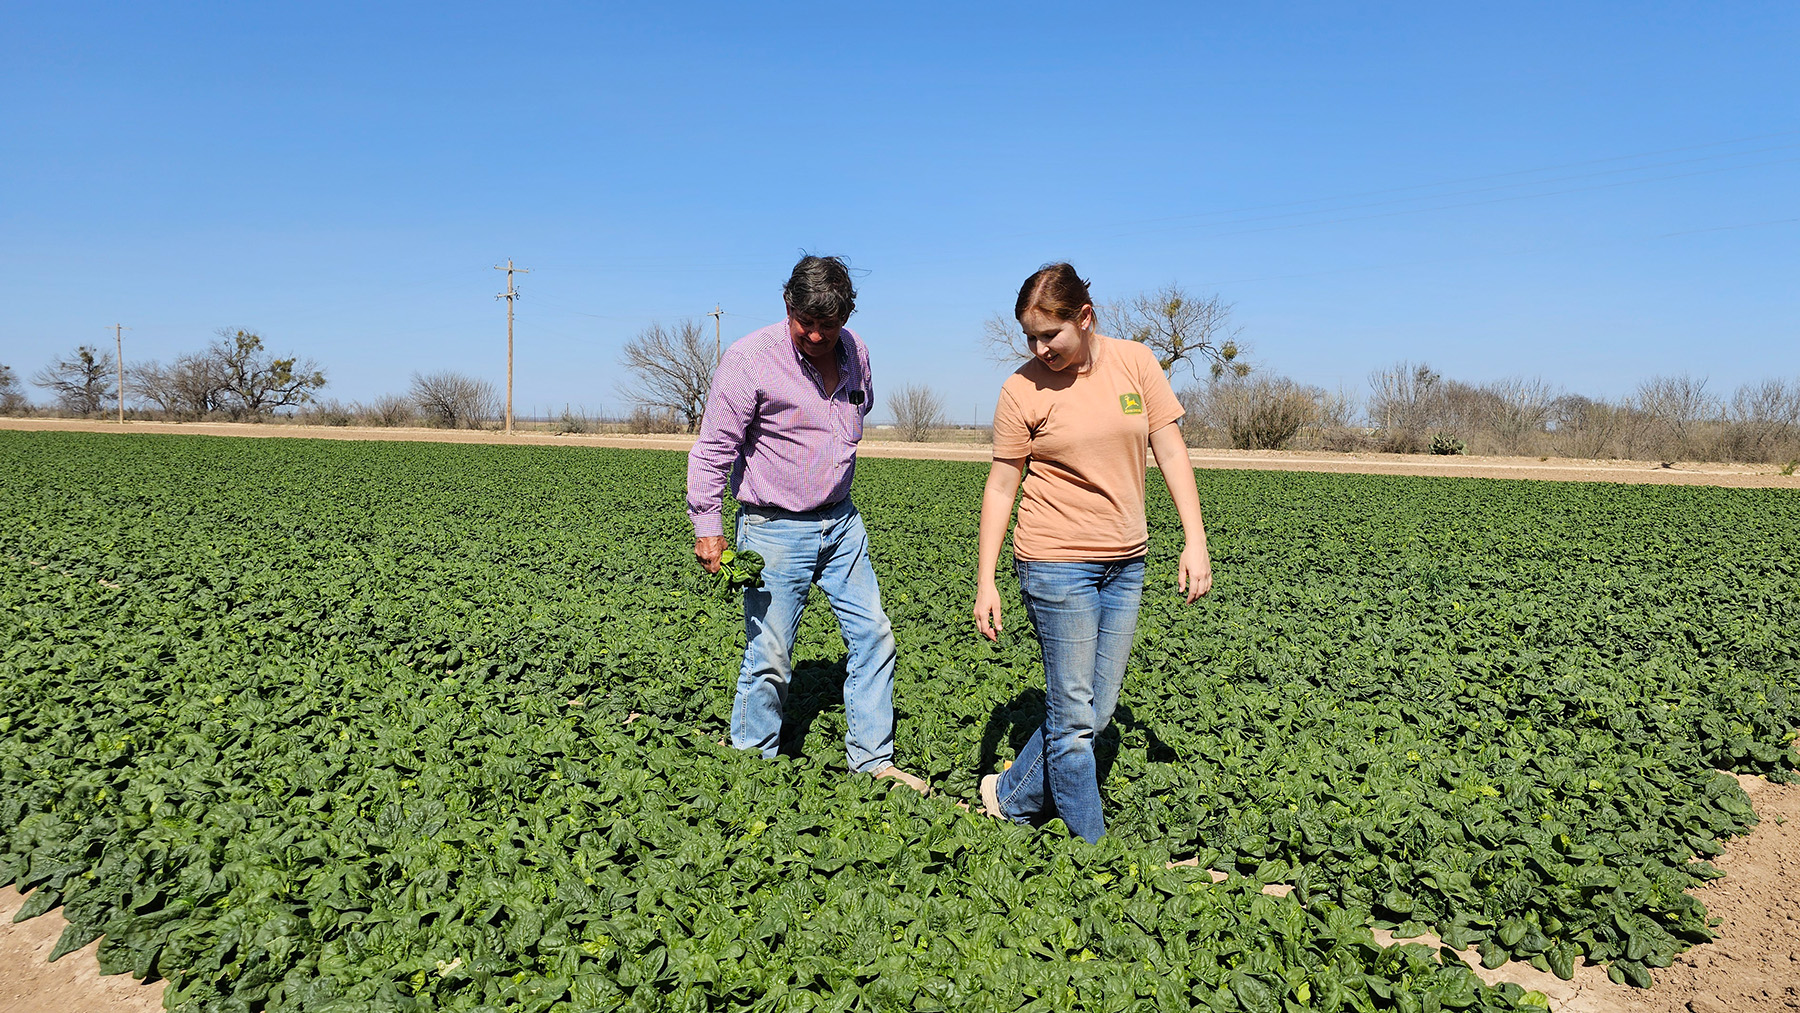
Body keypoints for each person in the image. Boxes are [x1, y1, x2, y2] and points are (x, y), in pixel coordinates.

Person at [972, 263, 1213, 842]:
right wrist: (987, 579)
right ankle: (1093, 855)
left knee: (1094, 714)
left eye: (1049, 334)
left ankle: (1008, 794)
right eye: (1029, 336)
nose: (1039, 348)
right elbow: (1002, 484)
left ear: (1084, 317)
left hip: (1126, 562)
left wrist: (1195, 537)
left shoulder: (1136, 363)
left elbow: (1172, 453)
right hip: (1054, 562)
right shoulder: (1021, 389)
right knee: (1076, 724)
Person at [687, 255, 927, 793]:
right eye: (806, 323)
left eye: (829, 324)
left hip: (841, 523)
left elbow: (853, 412)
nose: (817, 335)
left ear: (847, 315)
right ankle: (752, 761)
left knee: (874, 636)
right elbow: (712, 450)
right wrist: (708, 524)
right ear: (787, 306)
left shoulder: (857, 351)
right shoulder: (749, 359)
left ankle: (873, 762)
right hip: (773, 527)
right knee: (769, 652)